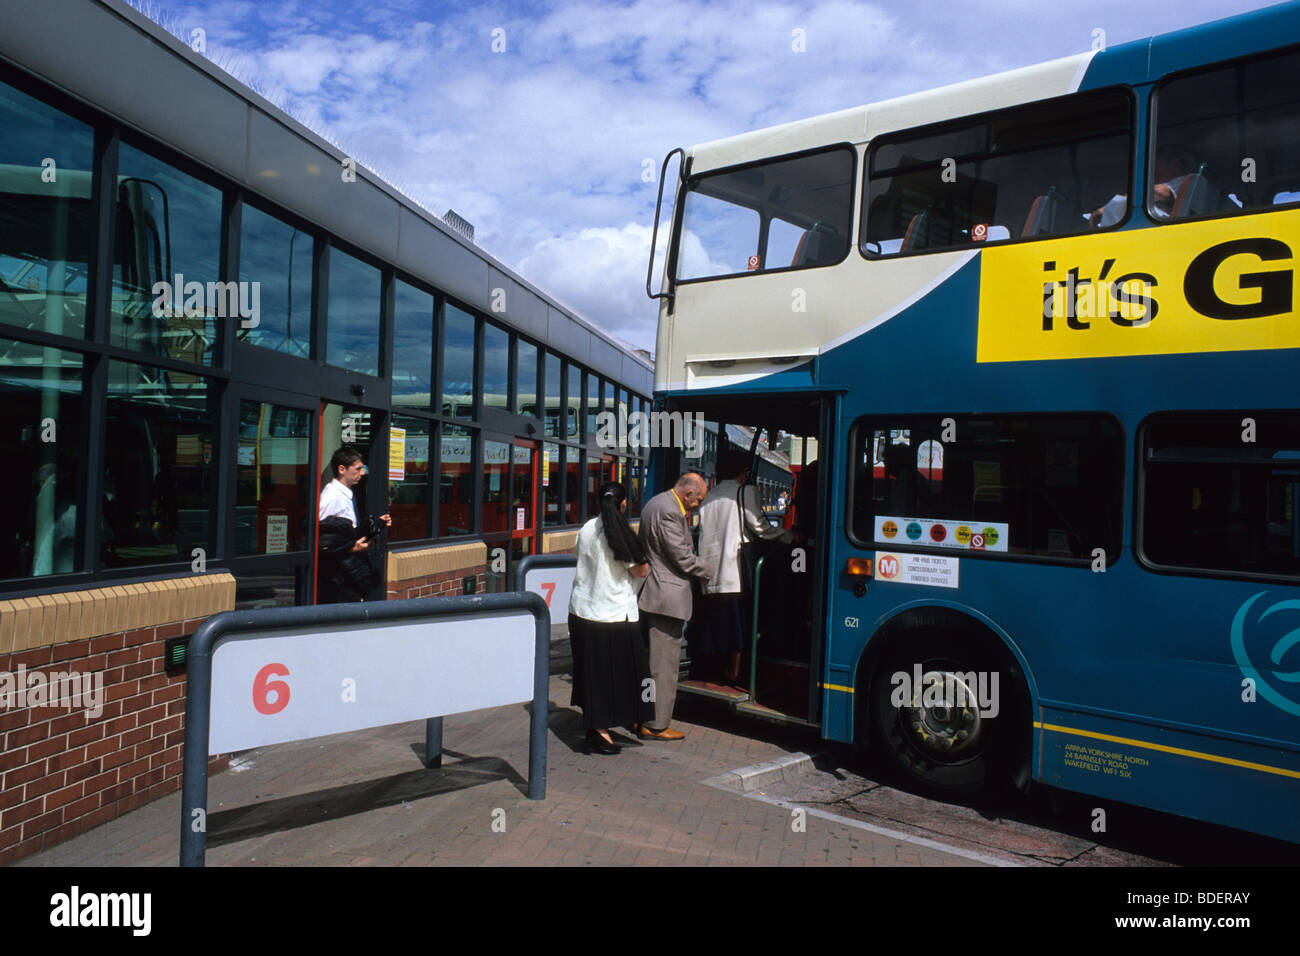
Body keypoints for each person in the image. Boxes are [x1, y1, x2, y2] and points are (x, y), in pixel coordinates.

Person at [695, 452, 801, 688]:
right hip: (735, 571)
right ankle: (734, 674)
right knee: (739, 625)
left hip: (709, 574)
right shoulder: (745, 491)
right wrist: (789, 536)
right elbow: (760, 527)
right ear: (743, 472)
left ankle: (712, 672)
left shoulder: (709, 496)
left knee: (716, 624)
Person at [567, 481, 653, 755]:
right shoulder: (620, 532)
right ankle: (600, 731)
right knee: (620, 674)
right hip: (612, 614)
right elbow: (641, 571)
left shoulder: (586, 528)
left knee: (592, 674)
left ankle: (597, 728)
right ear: (624, 504)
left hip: (582, 611)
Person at [635, 472, 710, 740]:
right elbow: (681, 556)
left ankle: (644, 717)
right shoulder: (669, 511)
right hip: (667, 597)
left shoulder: (656, 503)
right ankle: (656, 724)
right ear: (687, 494)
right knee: (664, 667)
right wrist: (710, 568)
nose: (697, 505)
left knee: (653, 662)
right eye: (698, 500)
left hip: (656, 593)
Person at [318, 446, 390, 603]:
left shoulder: (346, 494)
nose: (362, 473)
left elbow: (345, 531)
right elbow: (321, 538)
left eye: (362, 468)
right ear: (342, 469)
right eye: (357, 469)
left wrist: (376, 524)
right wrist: (351, 547)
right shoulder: (331, 497)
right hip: (337, 579)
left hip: (348, 576)